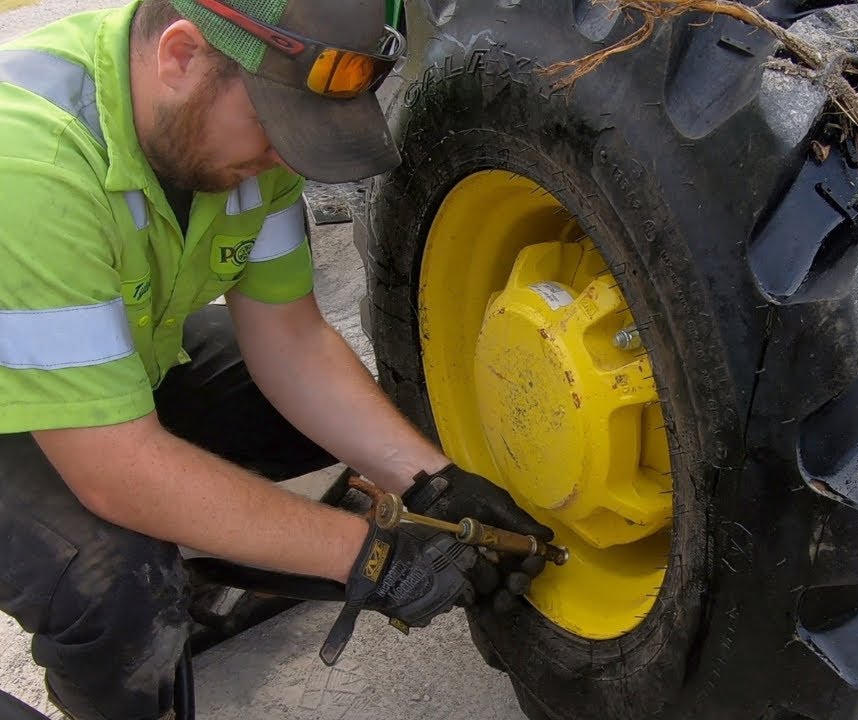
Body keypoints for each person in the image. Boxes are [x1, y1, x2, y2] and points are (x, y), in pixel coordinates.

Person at [0, 1, 552, 719]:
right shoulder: (30, 163)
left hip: (110, 369)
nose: (284, 158)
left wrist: (434, 484)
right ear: (181, 56)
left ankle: (204, 566)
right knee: (118, 583)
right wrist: (365, 555)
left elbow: (291, 342)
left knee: (345, 417)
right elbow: (114, 468)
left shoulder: (231, 139)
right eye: (273, 128)